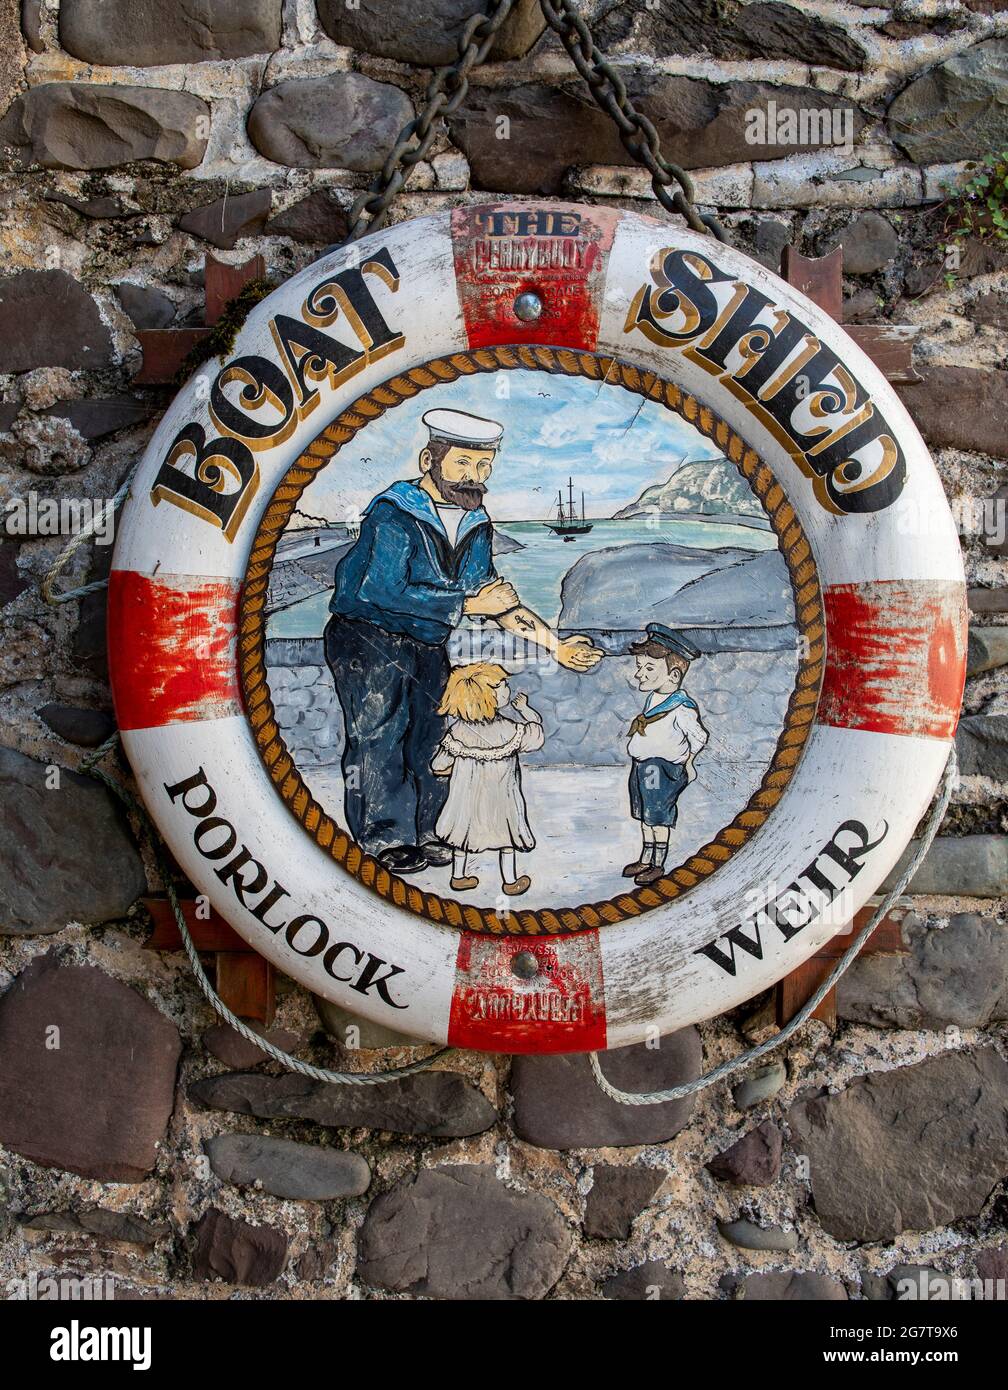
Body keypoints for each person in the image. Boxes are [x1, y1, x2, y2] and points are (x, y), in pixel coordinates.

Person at [324, 406, 602, 875]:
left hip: (426, 639)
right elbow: (383, 589)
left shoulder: (476, 523)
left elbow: (494, 597)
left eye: (484, 466)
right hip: (367, 637)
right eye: (464, 464)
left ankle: (432, 830)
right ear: (428, 460)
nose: (476, 477)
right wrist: (470, 607)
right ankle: (386, 837)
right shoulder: (394, 513)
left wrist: (556, 646)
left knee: (431, 735)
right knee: (379, 733)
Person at [431, 663, 544, 896]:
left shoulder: (458, 731)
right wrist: (526, 711)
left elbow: (438, 764)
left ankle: (458, 877)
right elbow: (535, 736)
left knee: (462, 837)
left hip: (467, 799)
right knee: (505, 840)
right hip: (501, 799)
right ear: (487, 696)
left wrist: (453, 770)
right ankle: (510, 882)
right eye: (501, 686)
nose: (507, 689)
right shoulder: (508, 729)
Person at [623, 624, 708, 886]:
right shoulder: (654, 700)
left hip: (662, 770)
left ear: (672, 676)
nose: (640, 673)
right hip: (643, 767)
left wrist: (689, 762)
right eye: (640, 666)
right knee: (645, 816)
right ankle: (646, 858)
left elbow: (699, 736)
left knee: (658, 817)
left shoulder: (680, 707)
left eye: (648, 668)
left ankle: (657, 864)